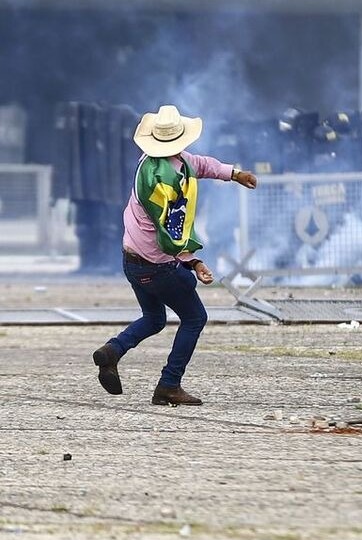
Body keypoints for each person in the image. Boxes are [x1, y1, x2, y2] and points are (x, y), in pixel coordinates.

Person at [91, 105, 258, 405]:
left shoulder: (156, 161)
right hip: (157, 265)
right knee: (195, 317)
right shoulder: (162, 184)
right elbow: (171, 234)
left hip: (132, 261)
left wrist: (233, 173)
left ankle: (113, 351)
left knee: (154, 318)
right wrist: (193, 262)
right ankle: (169, 384)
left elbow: (201, 164)